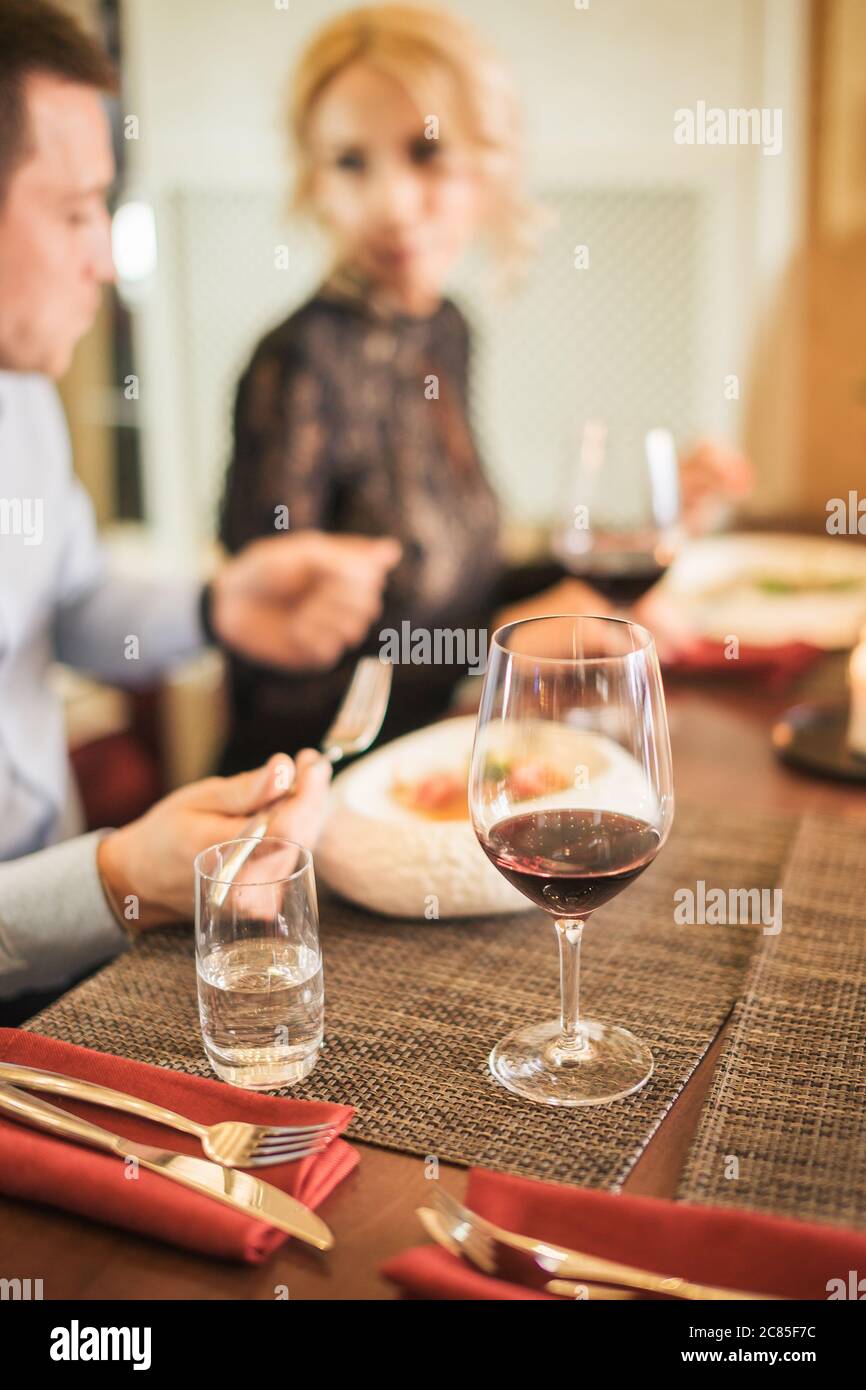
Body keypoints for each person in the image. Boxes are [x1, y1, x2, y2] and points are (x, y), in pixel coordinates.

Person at [218, 3, 752, 772]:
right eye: (350, 161)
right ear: (313, 179)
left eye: (425, 151)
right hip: (314, 815)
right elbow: (282, 700)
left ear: (487, 161)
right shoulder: (294, 366)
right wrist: (500, 647)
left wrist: (627, 553)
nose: (393, 204)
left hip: (448, 770)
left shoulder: (446, 329)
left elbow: (459, 575)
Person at [0, 0, 399, 1017]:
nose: (105, 256)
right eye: (76, 209)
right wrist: (117, 879)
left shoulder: (24, 399)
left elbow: (68, 600)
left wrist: (219, 606)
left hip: (59, 984)